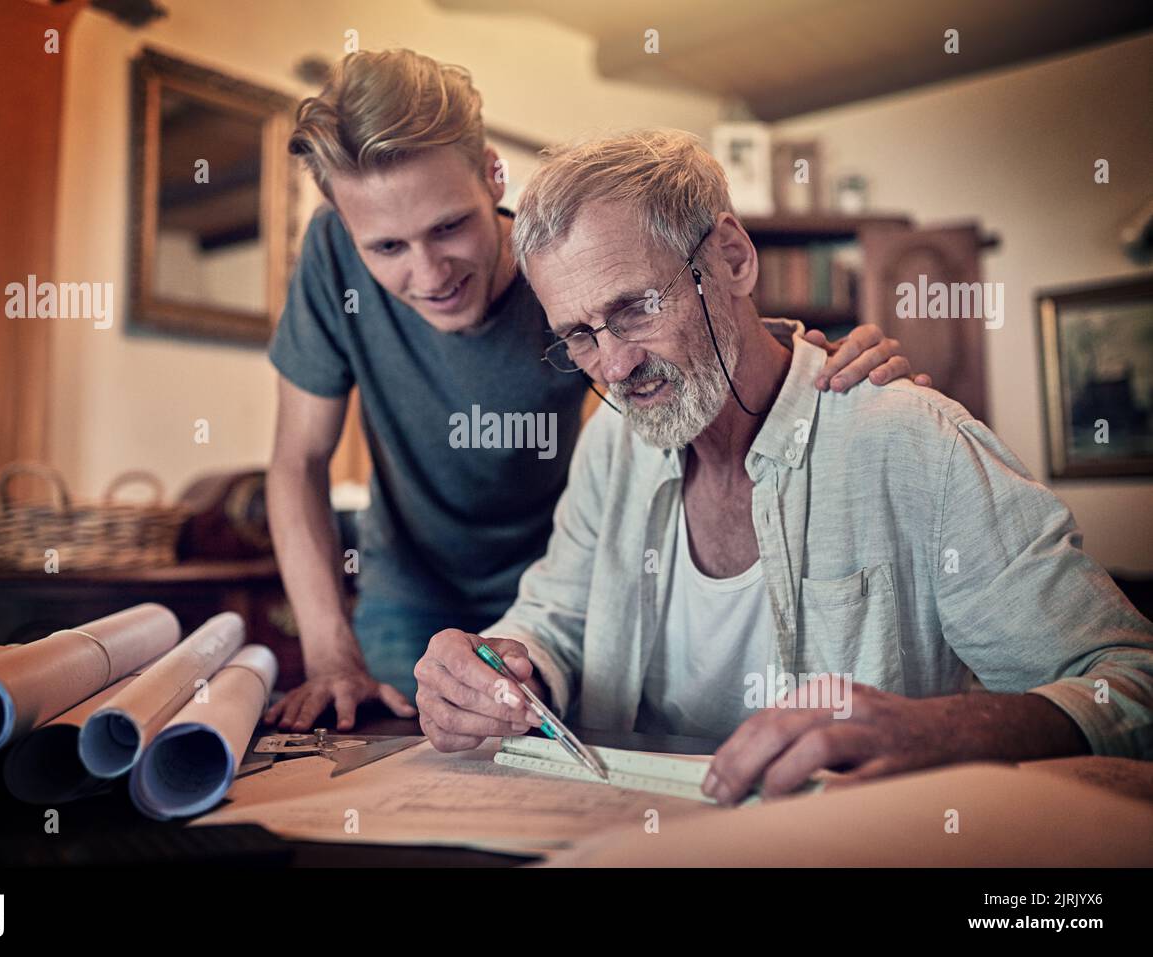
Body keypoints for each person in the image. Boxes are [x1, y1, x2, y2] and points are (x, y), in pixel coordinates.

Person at [413, 130, 1153, 802]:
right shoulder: (613, 445)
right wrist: (503, 669)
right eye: (578, 335)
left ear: (732, 258)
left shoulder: (913, 439)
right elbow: (556, 618)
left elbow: (1130, 684)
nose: (614, 365)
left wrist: (945, 731)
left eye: (637, 306)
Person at [265, 50, 924, 731]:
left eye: (449, 226)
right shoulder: (329, 258)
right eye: (387, 248)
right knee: (414, 761)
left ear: (493, 174)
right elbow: (298, 460)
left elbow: (686, 342)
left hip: (560, 568)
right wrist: (330, 655)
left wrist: (806, 368)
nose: (430, 274)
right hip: (409, 584)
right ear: (348, 232)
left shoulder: (558, 268)